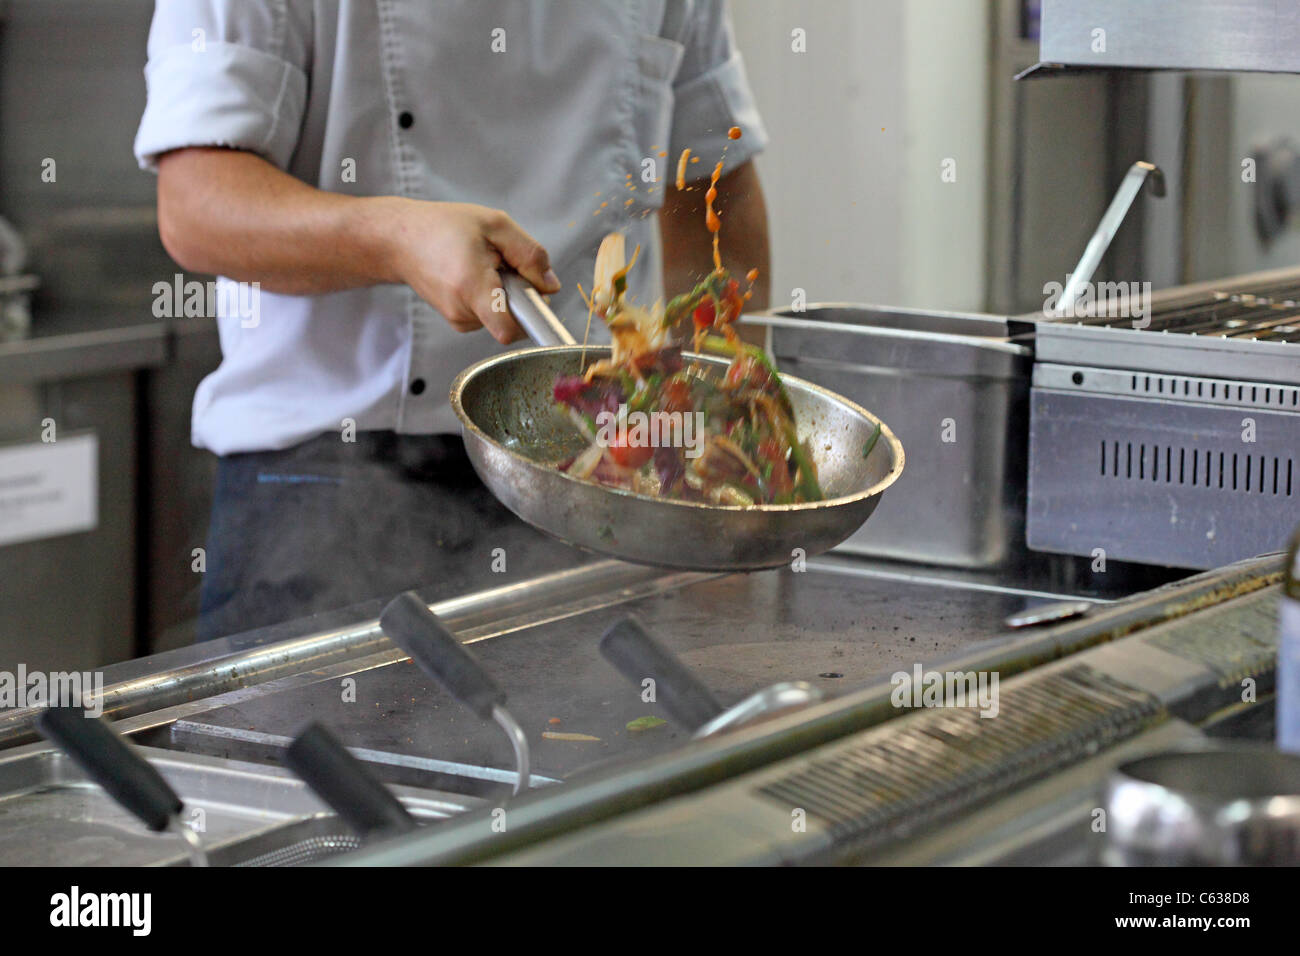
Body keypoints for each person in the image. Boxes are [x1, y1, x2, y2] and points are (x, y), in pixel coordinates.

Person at [134, 0, 771, 640]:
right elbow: (197, 204)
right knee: (302, 742)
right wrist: (396, 238)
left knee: (605, 734)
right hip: (330, 477)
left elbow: (714, 183)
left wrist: (719, 446)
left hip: (596, 476)